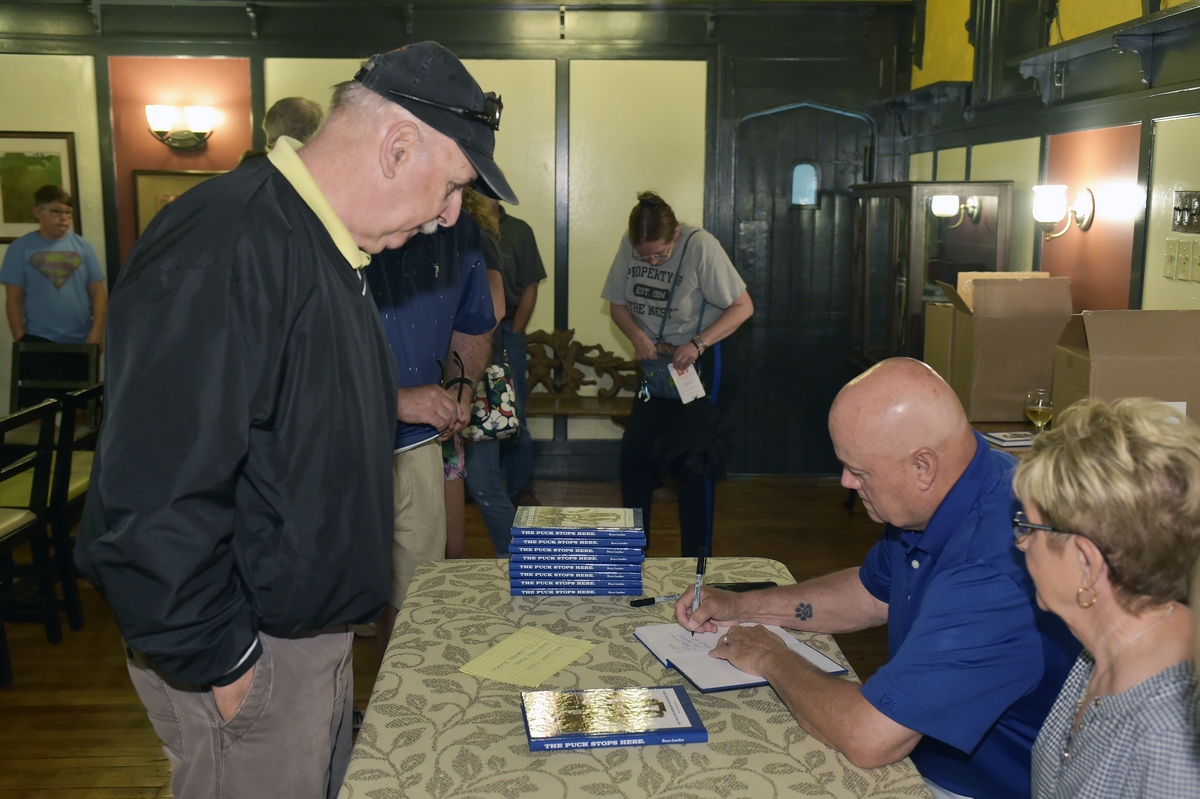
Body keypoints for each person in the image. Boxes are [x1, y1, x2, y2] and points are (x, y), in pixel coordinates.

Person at [75, 41, 516, 799]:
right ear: (397, 146)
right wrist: (231, 667)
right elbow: (151, 505)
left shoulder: (318, 247)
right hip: (254, 657)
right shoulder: (231, 243)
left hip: (304, 642)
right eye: (451, 187)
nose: (450, 217)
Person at [677, 358, 1079, 799]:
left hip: (969, 786)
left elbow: (869, 738)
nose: (846, 482)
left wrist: (770, 657)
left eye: (860, 471)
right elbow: (871, 593)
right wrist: (743, 606)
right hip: (920, 756)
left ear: (923, 466)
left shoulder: (994, 568)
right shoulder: (945, 486)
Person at [1012, 398, 1200, 798]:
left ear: (1086, 561)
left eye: (1029, 527)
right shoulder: (1096, 650)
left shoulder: (1172, 741)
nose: (1022, 544)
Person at [365, 187, 501, 645]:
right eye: (447, 186)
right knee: (338, 617)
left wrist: (461, 385)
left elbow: (474, 321)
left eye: (463, 189)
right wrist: (397, 398)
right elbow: (299, 359)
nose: (455, 208)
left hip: (420, 445)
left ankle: (399, 709)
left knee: (416, 600)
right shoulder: (335, 223)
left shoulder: (460, 231)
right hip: (344, 445)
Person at [601, 190, 753, 557]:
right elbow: (617, 303)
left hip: (702, 361)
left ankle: (695, 563)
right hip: (658, 367)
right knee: (634, 455)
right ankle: (632, 555)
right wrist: (637, 336)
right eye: (645, 255)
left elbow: (743, 306)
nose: (652, 261)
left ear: (676, 235)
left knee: (693, 461)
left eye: (660, 254)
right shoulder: (631, 243)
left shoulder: (702, 247)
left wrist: (698, 343)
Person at [487, 197, 546, 506]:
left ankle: (520, 486)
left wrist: (517, 331)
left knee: (516, 409)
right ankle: (481, 482)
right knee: (478, 407)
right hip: (472, 332)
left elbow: (530, 286)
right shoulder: (464, 228)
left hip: (508, 330)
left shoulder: (520, 231)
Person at [1, 184, 107, 350]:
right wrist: (20, 341)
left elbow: (98, 292)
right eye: (56, 211)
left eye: (68, 212)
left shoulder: (83, 247)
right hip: (38, 339)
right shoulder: (20, 248)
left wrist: (98, 330)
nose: (64, 218)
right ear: (37, 212)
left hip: (82, 339)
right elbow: (13, 299)